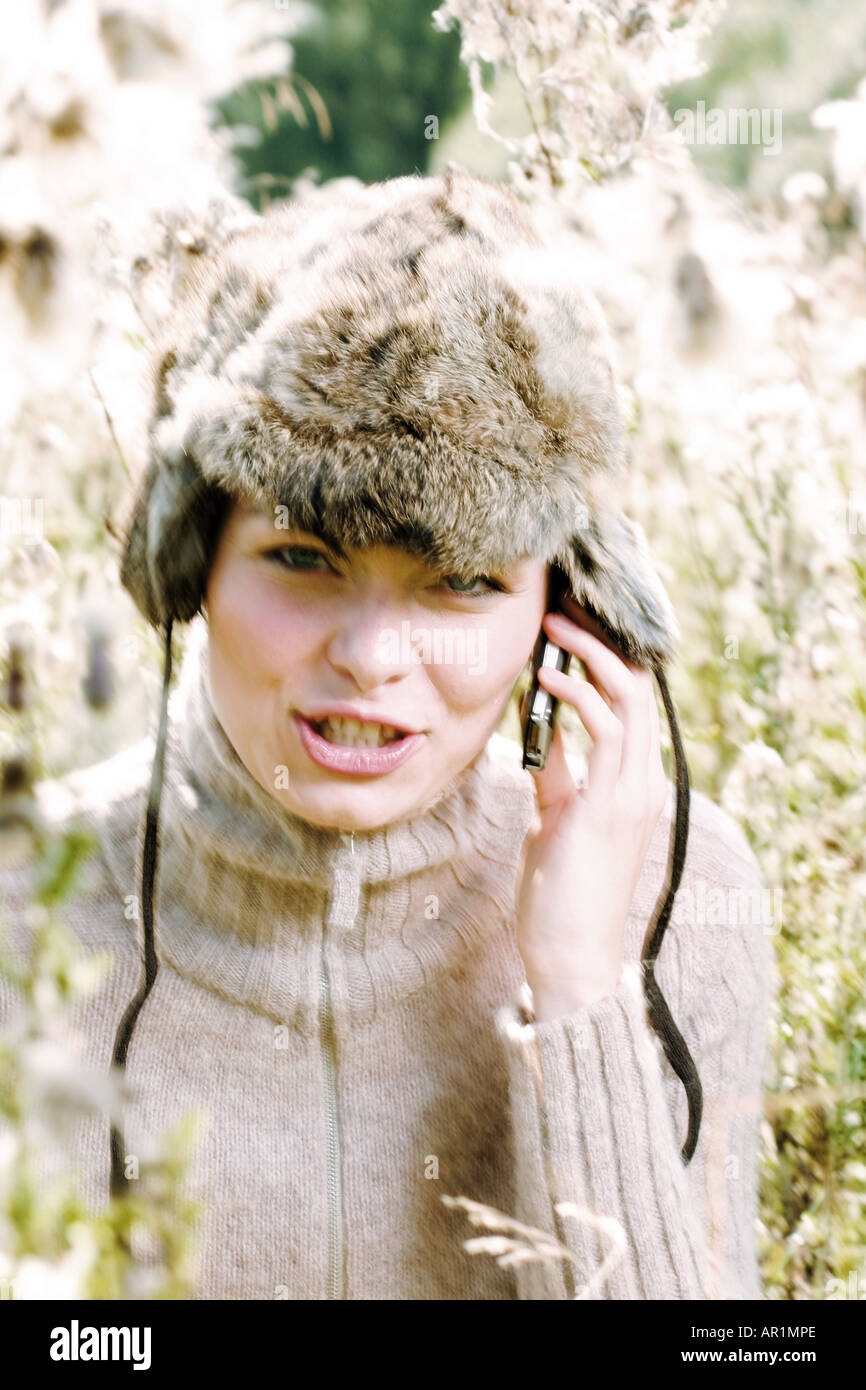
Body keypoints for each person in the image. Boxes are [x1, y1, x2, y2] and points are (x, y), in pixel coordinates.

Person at [0, 164, 771, 1300]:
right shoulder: (30, 901)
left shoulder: (679, 895)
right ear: (188, 563)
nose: (370, 655)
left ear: (568, 614)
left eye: (457, 583)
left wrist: (578, 991)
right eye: (303, 560)